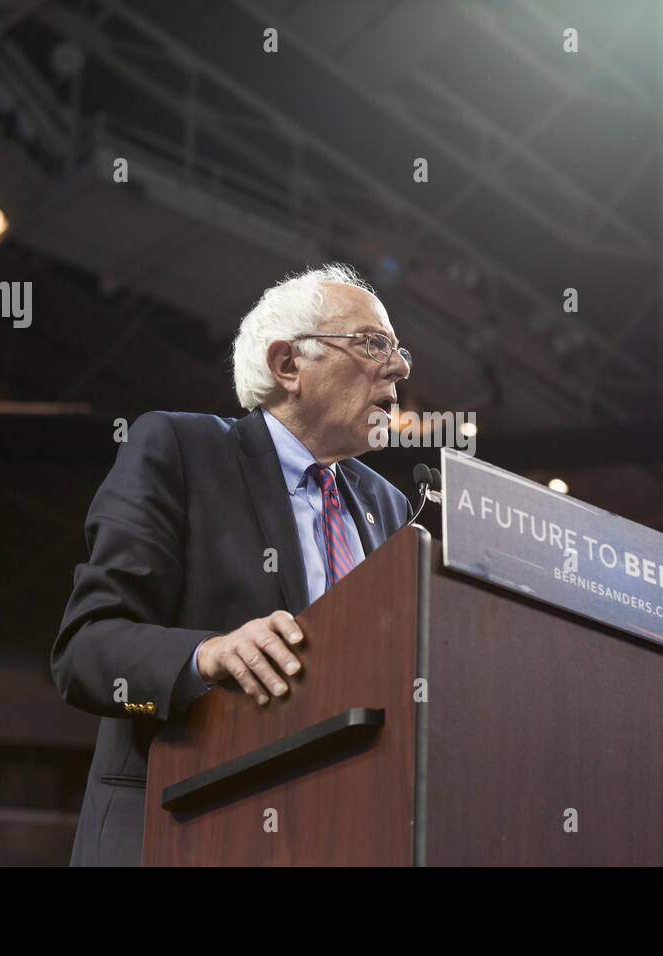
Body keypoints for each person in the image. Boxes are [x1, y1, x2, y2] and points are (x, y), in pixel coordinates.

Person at [52, 263, 413, 866]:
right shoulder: (180, 451)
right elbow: (85, 654)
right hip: (179, 830)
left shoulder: (387, 504)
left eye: (398, 350)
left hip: (337, 833)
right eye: (373, 344)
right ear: (288, 365)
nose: (398, 366)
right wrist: (206, 656)